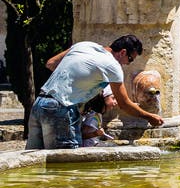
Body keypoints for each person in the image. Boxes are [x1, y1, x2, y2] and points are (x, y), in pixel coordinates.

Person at [26, 35, 163, 149]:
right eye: (130, 59)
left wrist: (77, 81)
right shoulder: (113, 66)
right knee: (66, 166)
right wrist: (150, 117)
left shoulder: (84, 45)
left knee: (34, 163)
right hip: (61, 109)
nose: (127, 64)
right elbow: (124, 104)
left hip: (40, 103)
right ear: (122, 52)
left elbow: (51, 63)